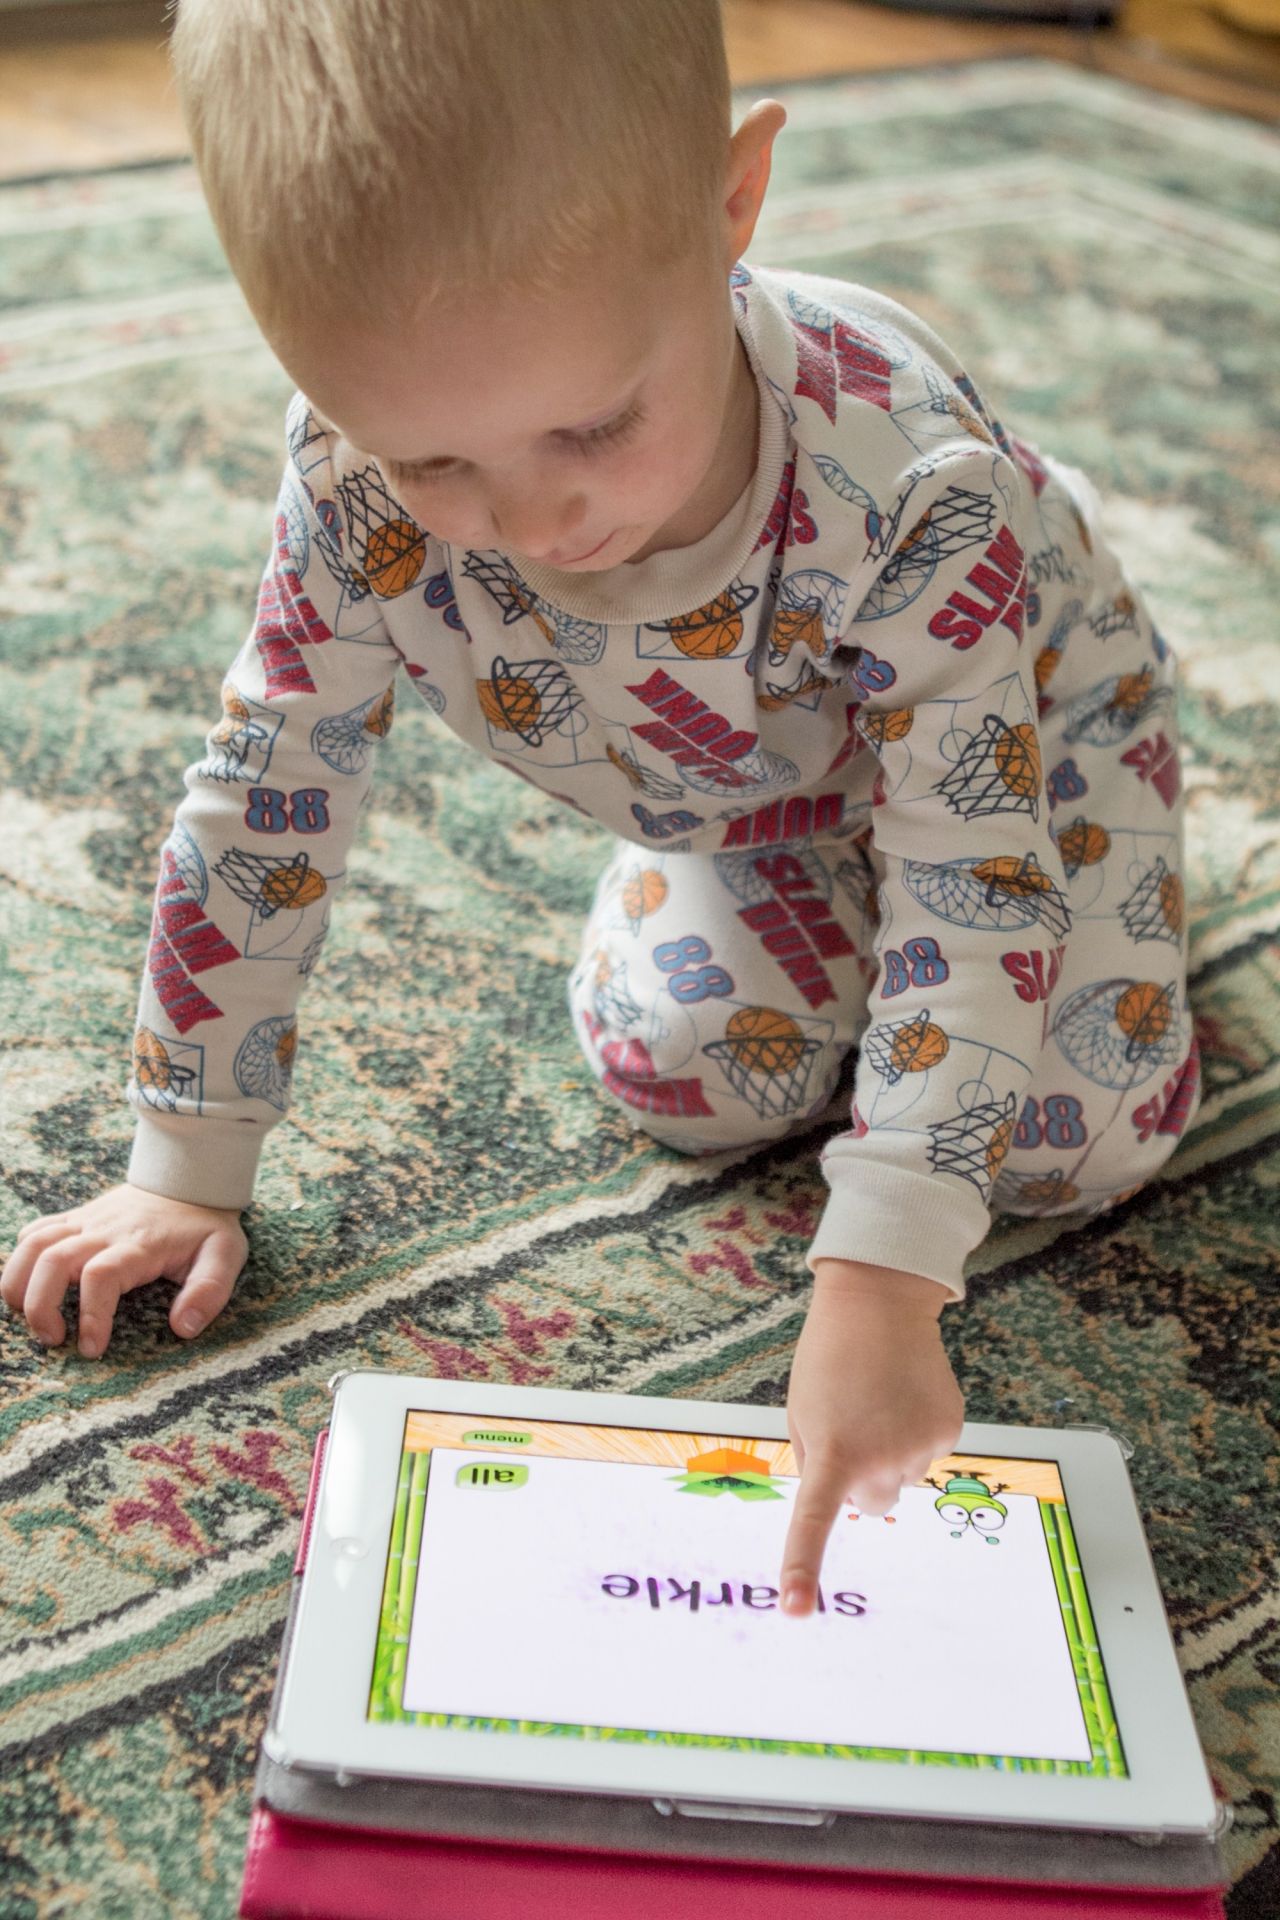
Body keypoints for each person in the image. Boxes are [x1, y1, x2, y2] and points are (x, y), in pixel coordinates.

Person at [0, 0, 1200, 1617]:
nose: (533, 519)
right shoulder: (355, 481)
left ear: (731, 206)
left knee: (1080, 1134)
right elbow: (267, 790)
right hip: (744, 794)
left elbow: (978, 877)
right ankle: (744, 879)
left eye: (591, 425)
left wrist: (887, 1270)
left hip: (1025, 746)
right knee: (684, 1079)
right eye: (436, 458)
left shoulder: (908, 480)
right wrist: (184, 1157)